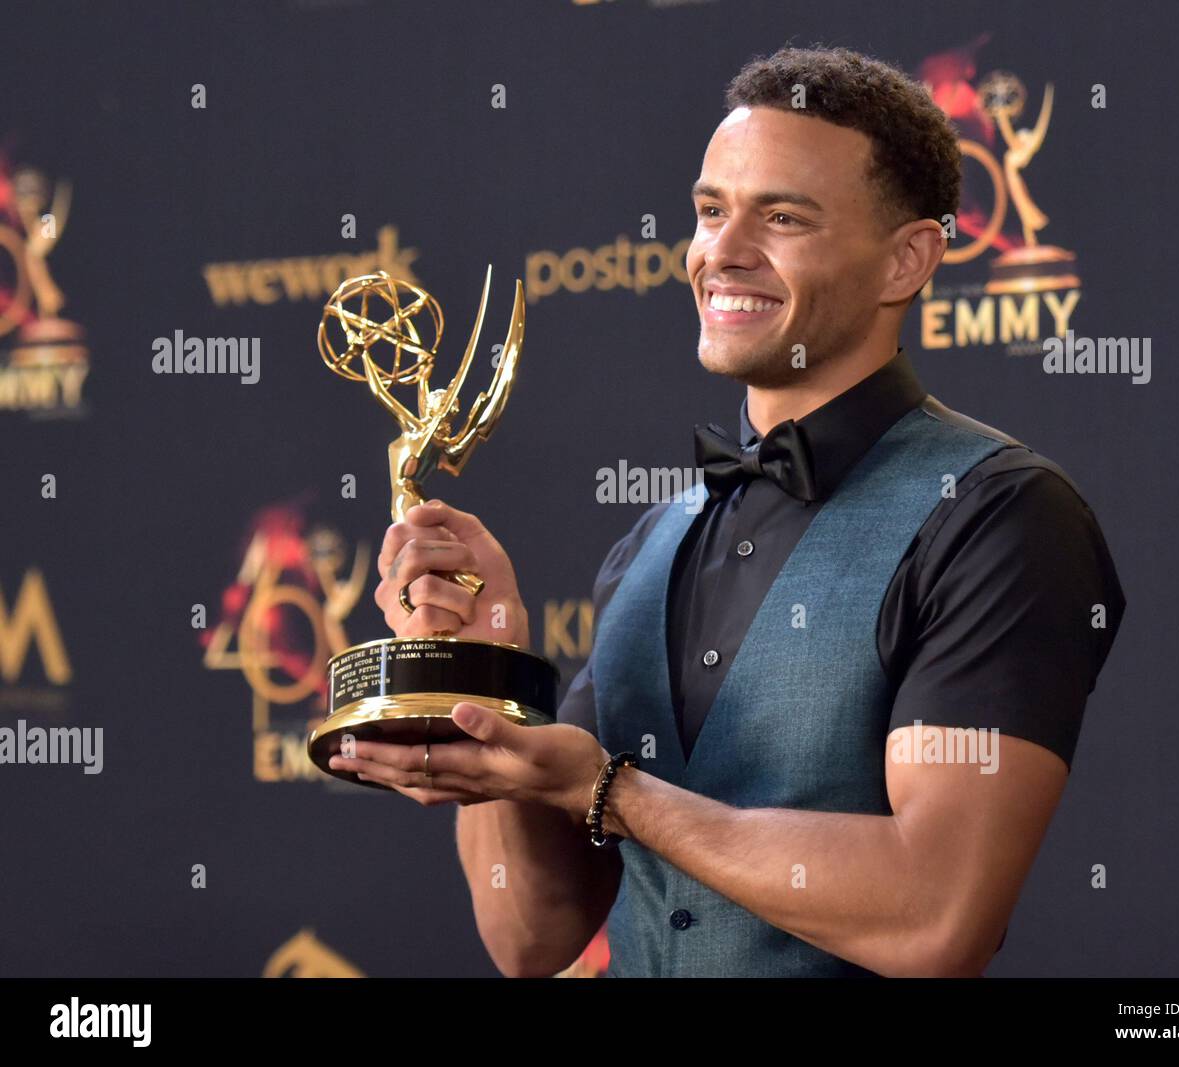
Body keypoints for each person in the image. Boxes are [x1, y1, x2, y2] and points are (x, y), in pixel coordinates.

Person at [329, 46, 1125, 978]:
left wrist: (613, 791)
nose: (722, 252)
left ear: (906, 258)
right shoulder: (650, 544)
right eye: (711, 211)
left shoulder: (1000, 515)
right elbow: (530, 935)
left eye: (781, 216)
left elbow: (937, 914)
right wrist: (487, 662)